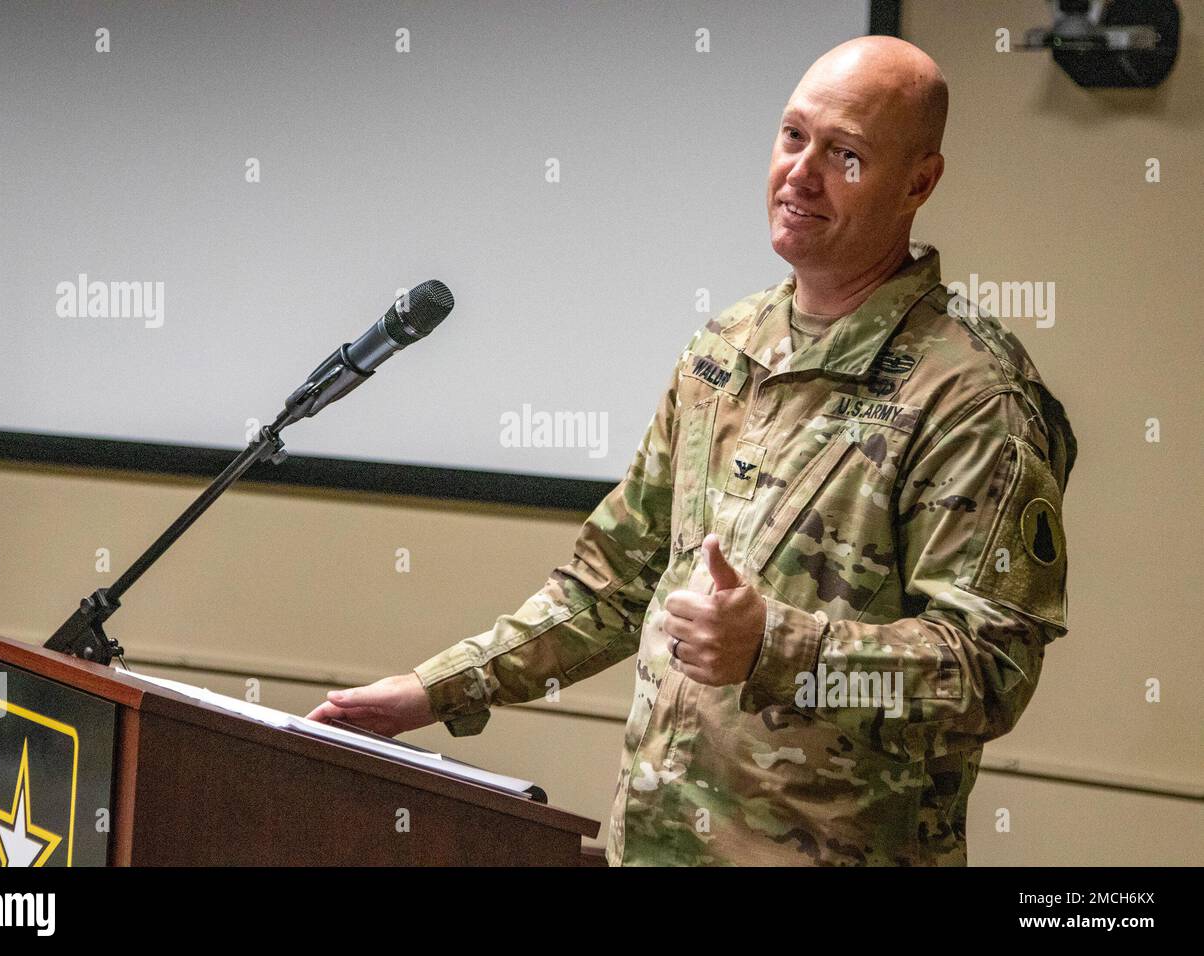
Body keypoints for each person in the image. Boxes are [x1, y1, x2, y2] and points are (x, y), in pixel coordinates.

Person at [308, 35, 1077, 866]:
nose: (801, 174)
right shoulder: (727, 349)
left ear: (918, 182)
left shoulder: (969, 396)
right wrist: (434, 689)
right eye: (792, 137)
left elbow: (987, 671)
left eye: (845, 155)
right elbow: (614, 583)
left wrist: (777, 650)